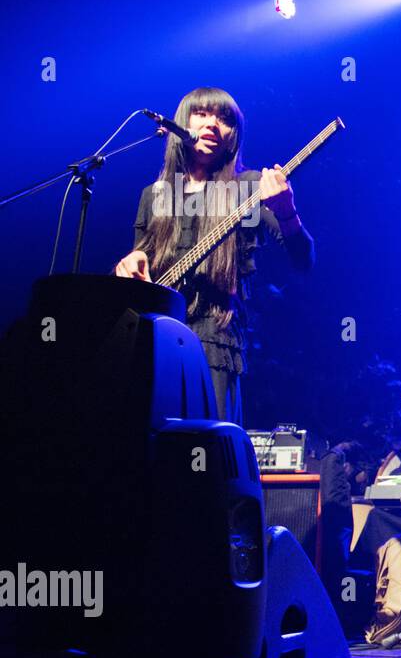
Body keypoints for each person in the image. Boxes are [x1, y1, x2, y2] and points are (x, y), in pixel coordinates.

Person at [114, 87, 314, 424]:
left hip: (214, 337)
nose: (212, 124)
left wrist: (286, 210)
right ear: (182, 122)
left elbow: (303, 259)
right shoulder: (154, 195)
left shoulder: (248, 187)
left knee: (207, 441)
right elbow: (139, 266)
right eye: (202, 114)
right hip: (156, 337)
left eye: (224, 119)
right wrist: (129, 265)